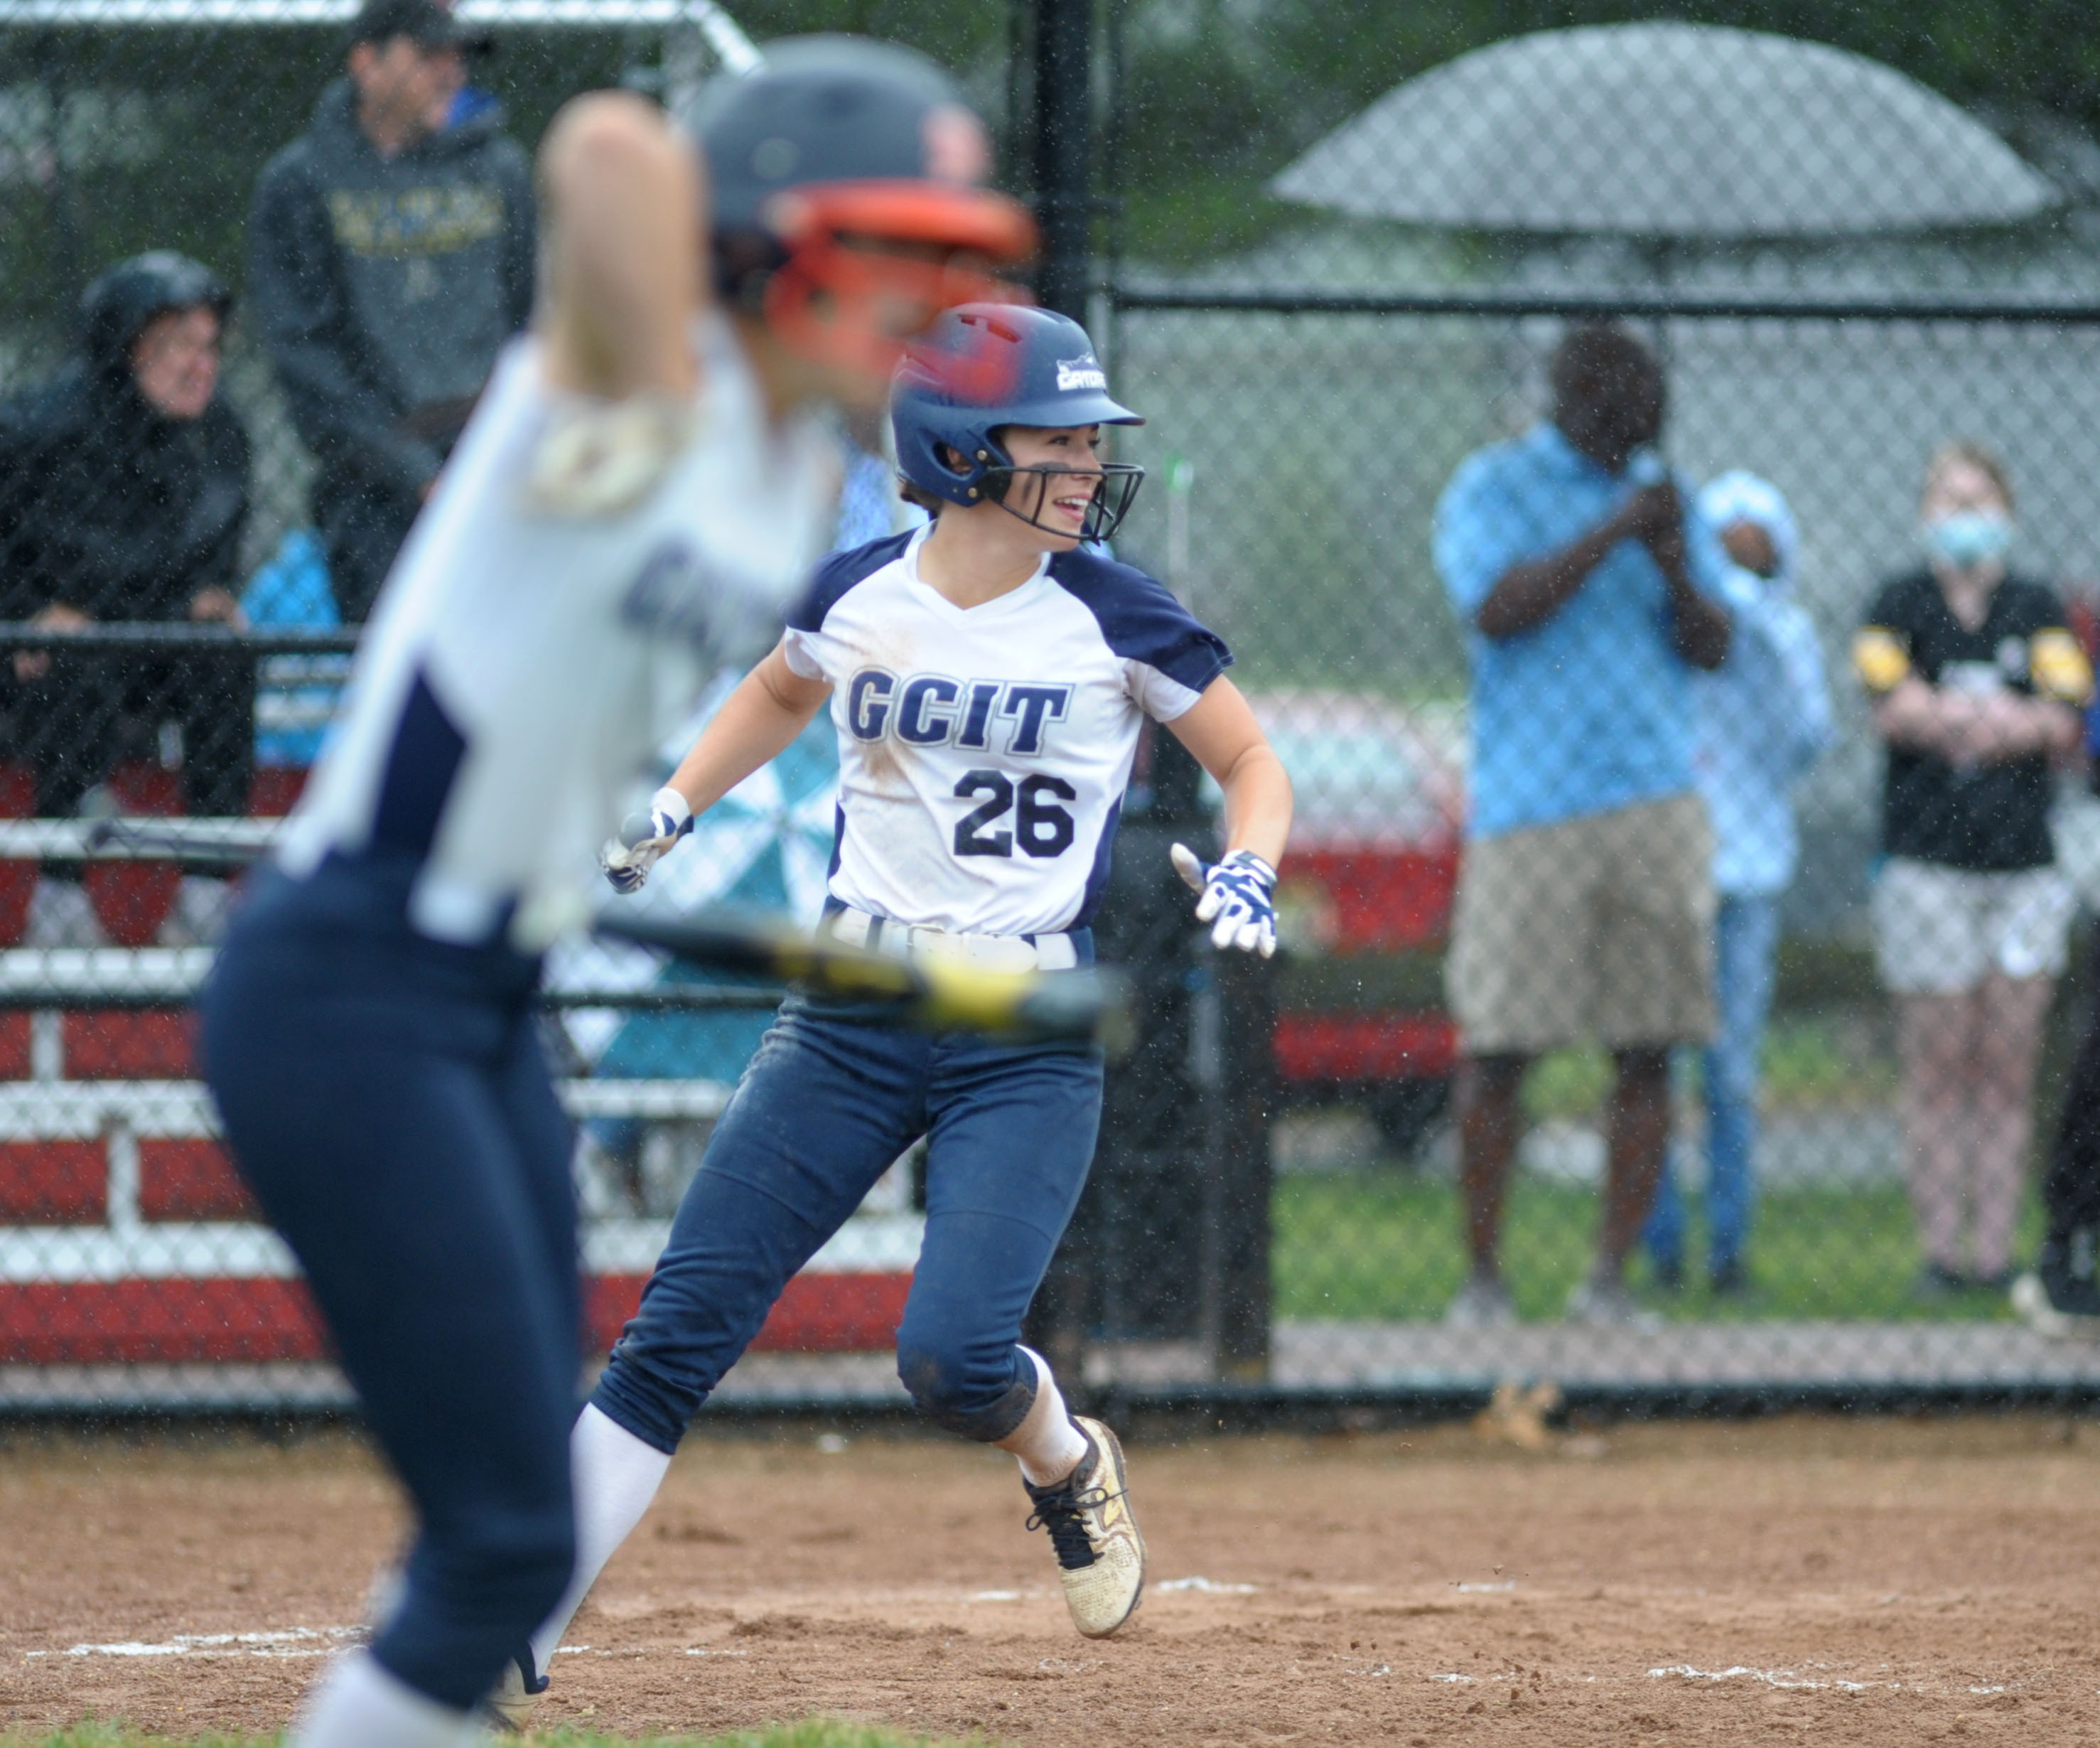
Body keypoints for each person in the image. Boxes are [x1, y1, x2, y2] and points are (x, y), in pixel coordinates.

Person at [200, 41, 1034, 1748]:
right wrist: (704, 256)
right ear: (764, 239)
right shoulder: (616, 382)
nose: (932, 312)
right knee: (508, 1535)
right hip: (352, 990)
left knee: (513, 1536)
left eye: (952, 269)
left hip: (481, 996)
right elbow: (595, 145)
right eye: (897, 258)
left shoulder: (797, 467)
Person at [495, 303, 1293, 1727]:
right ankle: (517, 1622)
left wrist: (1251, 859)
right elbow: (778, 685)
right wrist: (675, 800)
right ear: (958, 450)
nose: (1086, 465)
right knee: (677, 1329)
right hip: (851, 1011)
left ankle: (1063, 1458)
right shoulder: (860, 588)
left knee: (949, 1359)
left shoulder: (1113, 606)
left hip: (1027, 1023)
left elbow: (1248, 757)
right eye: (1054, 438)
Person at [1433, 324, 1733, 1328]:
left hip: (1653, 799)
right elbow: (1496, 608)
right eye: (1627, 401)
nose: (1644, 420)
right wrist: (1610, 529)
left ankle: (1605, 1281)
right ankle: (1481, 1279)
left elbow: (1711, 646)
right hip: (1528, 809)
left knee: (1647, 1047)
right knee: (1499, 1048)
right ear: (1574, 399)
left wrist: (1676, 558)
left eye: (1652, 403)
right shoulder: (1494, 484)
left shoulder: (1664, 497)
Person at [1856, 442, 2091, 1298]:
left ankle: (1996, 1253)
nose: (1963, 515)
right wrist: (1997, 714)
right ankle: (1940, 1254)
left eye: (1978, 498)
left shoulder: (2037, 606)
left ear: (2007, 508)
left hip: (2021, 868)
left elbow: (2065, 716)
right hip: (1927, 865)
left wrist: (1956, 715)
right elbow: (1889, 701)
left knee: (2007, 1065)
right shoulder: (1899, 602)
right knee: (1938, 1063)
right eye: (1948, 500)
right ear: (1926, 514)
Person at [248, 0, 531, 623]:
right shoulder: (300, 183)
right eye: (428, 56)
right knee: (395, 685)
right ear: (366, 63)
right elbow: (307, 359)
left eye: (456, 57)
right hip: (376, 494)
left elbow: (527, 323)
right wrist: (417, 476)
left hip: (495, 476)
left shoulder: (502, 170)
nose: (450, 72)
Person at [1642, 473, 1832, 1296]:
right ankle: (1656, 1248)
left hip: (1749, 871)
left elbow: (1807, 741)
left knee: (1730, 1073)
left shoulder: (1785, 636)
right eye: (1728, 555)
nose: (1742, 573)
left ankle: (1728, 1251)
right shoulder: (1664, 632)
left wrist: (1767, 643)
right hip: (1667, 862)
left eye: (1758, 556)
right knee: (1651, 1058)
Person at [0, 251, 254, 821]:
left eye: (210, 346)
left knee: (224, 654)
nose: (202, 366)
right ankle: (59, 888)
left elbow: (217, 539)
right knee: (69, 658)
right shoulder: (40, 429)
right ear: (125, 349)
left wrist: (211, 588)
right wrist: (27, 609)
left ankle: (208, 882)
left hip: (153, 637)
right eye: (180, 346)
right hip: (36, 650)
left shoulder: (217, 433)